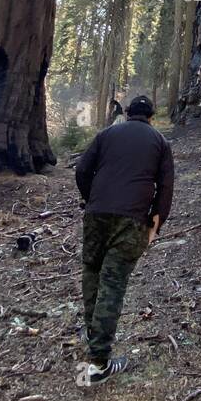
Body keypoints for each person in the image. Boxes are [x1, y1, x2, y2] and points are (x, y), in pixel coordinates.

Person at [74, 94, 174, 384]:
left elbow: (82, 170)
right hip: (131, 219)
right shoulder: (159, 141)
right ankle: (99, 363)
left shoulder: (106, 133)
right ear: (151, 117)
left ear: (128, 113)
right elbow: (166, 185)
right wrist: (158, 219)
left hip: (96, 214)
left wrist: (91, 198)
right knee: (113, 282)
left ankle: (93, 334)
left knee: (92, 271)